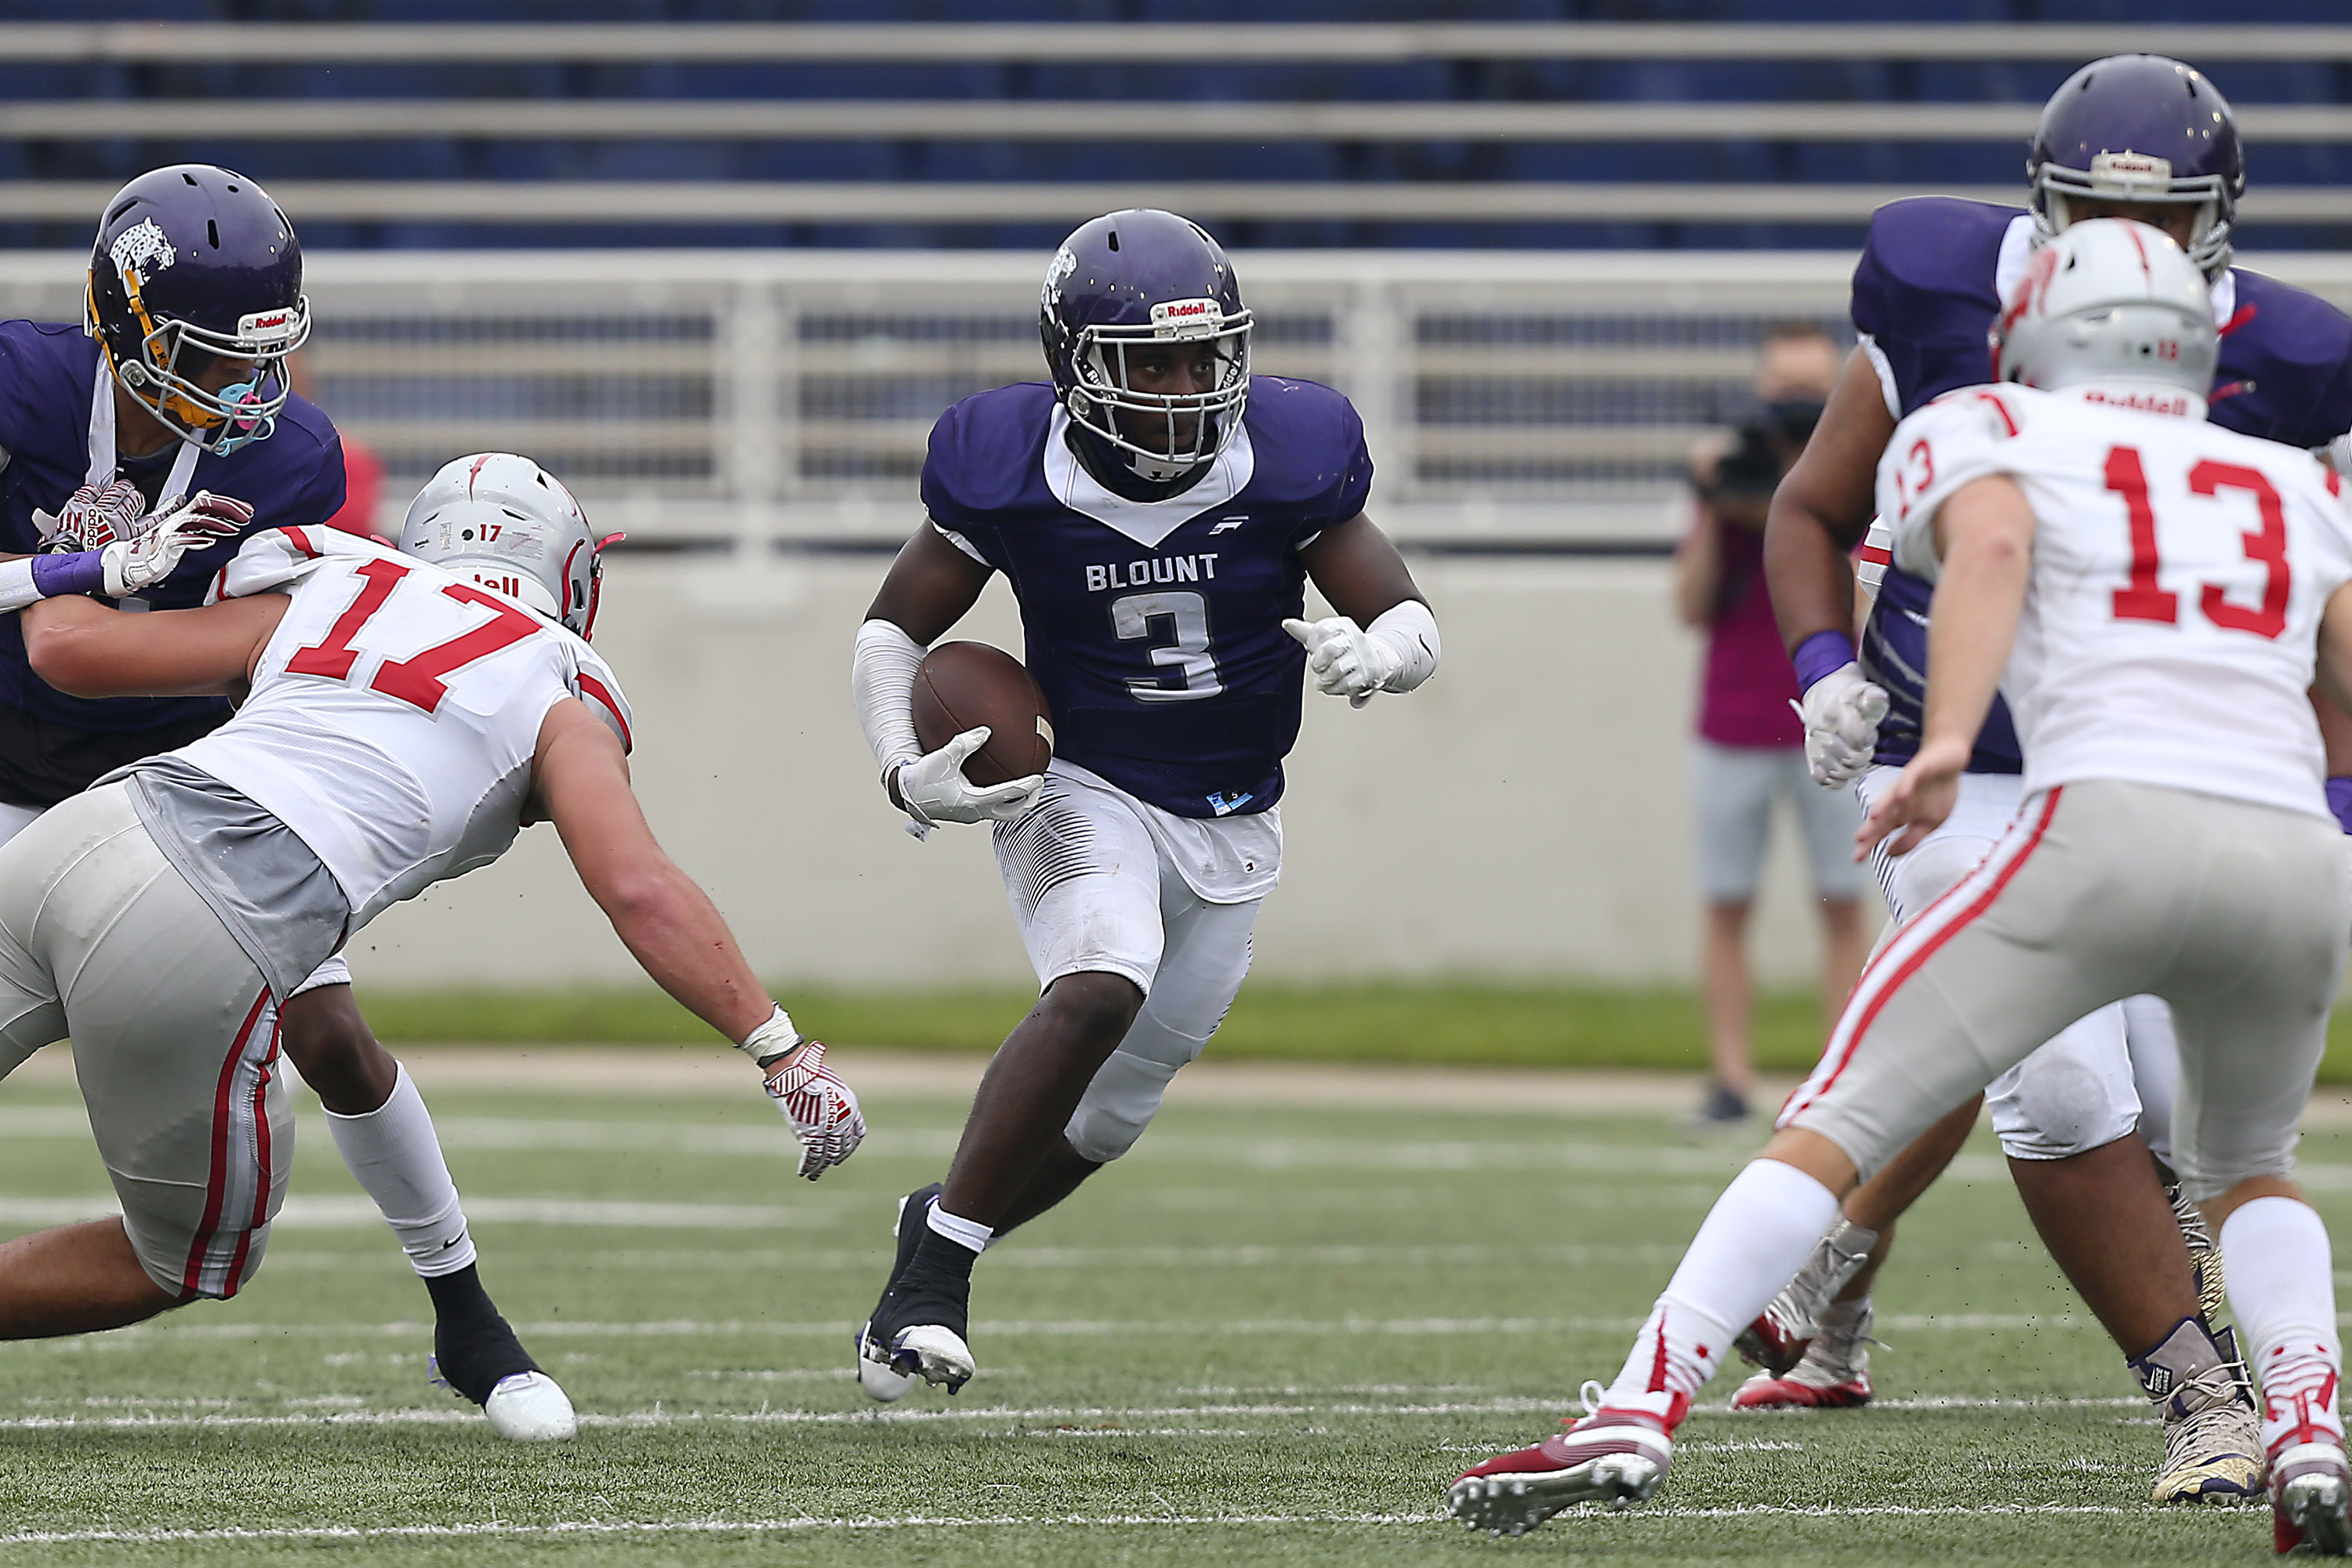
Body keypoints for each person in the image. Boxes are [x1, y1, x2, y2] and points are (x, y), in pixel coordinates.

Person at [1452, 219, 2352, 1550]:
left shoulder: (1983, 422)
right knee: (2253, 1166)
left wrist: (1939, 743)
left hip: (2090, 825)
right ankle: (2310, 1430)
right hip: (2279, 849)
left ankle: (1642, 1400)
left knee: (1831, 1121)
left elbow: (1986, 554)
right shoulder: (2283, 475)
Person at [1736, 56, 2352, 1500]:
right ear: (2037, 206)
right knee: (2063, 1086)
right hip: (1948, 752)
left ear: (2224, 224)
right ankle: (2207, 1402)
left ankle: (1827, 1281)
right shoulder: (1945, 287)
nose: (2113, 244)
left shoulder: (2289, 357)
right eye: (2080, 211)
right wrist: (1826, 661)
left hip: (2152, 748)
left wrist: (2334, 786)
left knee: (2150, 1078)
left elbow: (2325, 612)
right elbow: (1817, 504)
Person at [0, 456, 867, 1396]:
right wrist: (779, 1048)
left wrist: (76, 560)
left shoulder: (334, 580)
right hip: (205, 924)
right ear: (569, 574)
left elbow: (77, 653)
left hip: (85, 830)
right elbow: (638, 887)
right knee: (184, 1257)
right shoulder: (554, 682)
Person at [0, 165, 587, 1438]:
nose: (250, 391)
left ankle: (467, 1318)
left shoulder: (292, 454)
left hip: (174, 784)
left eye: (268, 353)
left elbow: (276, 647)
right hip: (5, 757)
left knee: (332, 1036)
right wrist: (82, 564)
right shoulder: (21, 385)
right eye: (213, 356)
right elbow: (57, 635)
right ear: (122, 322)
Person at [846, 209, 1439, 1398]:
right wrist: (900, 771)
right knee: (1100, 983)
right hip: (1079, 778)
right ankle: (933, 1292)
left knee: (1110, 1121)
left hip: (1233, 810)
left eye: (1198, 357)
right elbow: (894, 632)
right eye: (1146, 365)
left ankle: (935, 1229)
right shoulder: (1008, 466)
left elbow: (1408, 613)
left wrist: (1388, 657)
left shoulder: (1294, 451)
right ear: (1074, 365)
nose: (1180, 390)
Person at [1674, 322, 1870, 1126]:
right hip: (1733, 723)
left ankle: (1842, 1077)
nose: (1795, 410)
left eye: (1810, 393)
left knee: (1841, 903)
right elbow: (1689, 604)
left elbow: (1867, 605)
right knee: (1727, 902)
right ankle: (1731, 1078)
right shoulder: (1735, 479)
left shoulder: (1857, 479)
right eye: (1784, 393)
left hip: (1832, 726)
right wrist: (1716, 501)